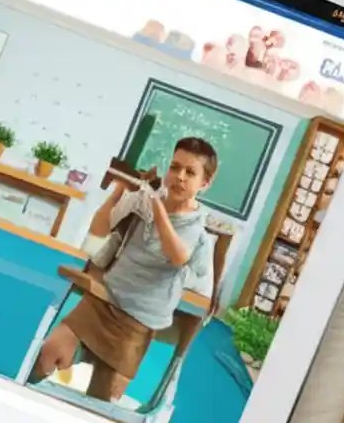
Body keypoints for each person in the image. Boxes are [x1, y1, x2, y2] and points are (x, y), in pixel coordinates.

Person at [30, 137, 217, 402]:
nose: (179, 177)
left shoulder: (196, 230)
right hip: (104, 301)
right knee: (46, 355)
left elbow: (177, 256)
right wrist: (119, 190)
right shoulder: (143, 200)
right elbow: (98, 229)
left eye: (190, 172)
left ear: (205, 183)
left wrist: (158, 208)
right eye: (174, 167)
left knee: (101, 402)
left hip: (138, 324)